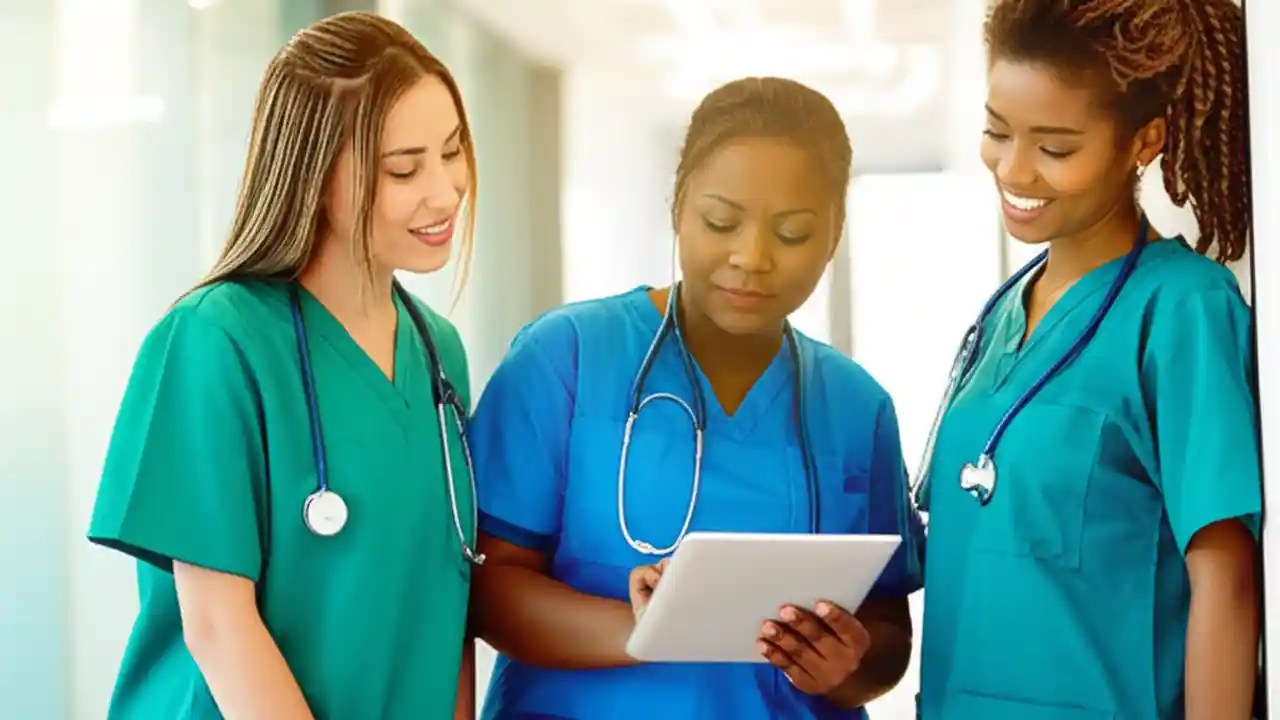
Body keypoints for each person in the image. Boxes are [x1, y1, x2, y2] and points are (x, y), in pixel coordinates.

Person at [466, 76, 924, 720]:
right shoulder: (565, 355)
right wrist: (652, 629)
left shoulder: (856, 406)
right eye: (720, 221)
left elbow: (888, 634)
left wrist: (845, 665)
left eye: (792, 233)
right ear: (677, 205)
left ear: (834, 233)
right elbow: (486, 586)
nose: (751, 256)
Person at [86, 11, 481, 719]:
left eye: (452, 152)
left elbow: (445, 607)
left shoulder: (438, 353)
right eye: (404, 167)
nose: (446, 191)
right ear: (314, 170)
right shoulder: (215, 342)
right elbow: (217, 625)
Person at [914, 1, 1260, 718]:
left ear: (1143, 140)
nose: (1013, 168)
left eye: (1056, 146)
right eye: (995, 131)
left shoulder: (1183, 308)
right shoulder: (1001, 314)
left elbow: (1225, 577)